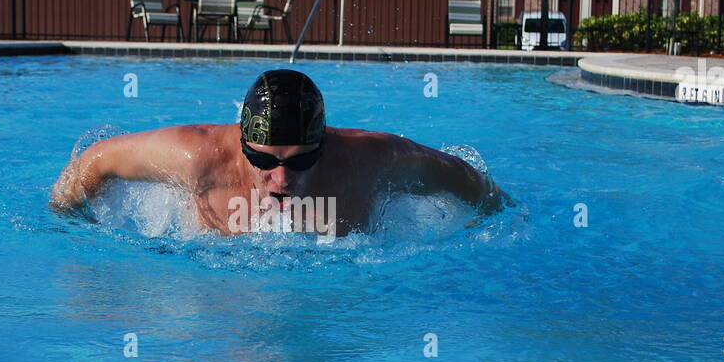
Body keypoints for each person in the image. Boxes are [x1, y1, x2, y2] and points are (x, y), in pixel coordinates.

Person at [50, 69, 510, 238]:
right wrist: (67, 224)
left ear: (324, 145)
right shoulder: (196, 156)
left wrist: (496, 220)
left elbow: (470, 182)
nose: (283, 181)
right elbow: (97, 160)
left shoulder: (372, 158)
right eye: (266, 162)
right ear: (242, 142)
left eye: (302, 160)